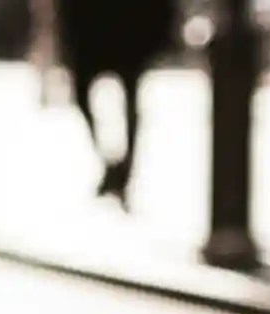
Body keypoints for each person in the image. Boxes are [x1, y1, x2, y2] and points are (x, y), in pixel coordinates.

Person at [53, 0, 178, 209]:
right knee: (104, 96)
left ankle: (121, 169)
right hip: (103, 26)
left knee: (123, 98)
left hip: (117, 26)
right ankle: (118, 168)